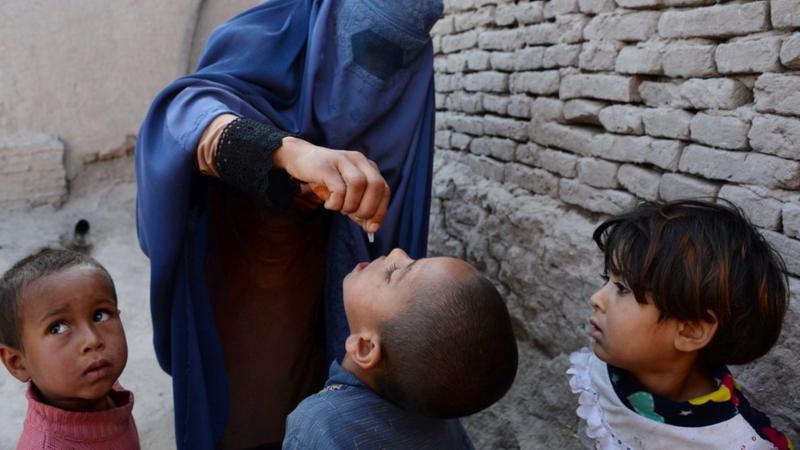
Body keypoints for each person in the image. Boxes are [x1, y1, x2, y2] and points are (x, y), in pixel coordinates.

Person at [135, 0, 443, 448]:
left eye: (391, 58)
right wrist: (291, 153)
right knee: (242, 409)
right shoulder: (274, 35)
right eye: (363, 46)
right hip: (249, 285)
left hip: (337, 288)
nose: (371, 74)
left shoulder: (405, 105)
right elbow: (185, 118)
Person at [568, 200, 793, 450]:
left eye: (622, 288)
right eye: (606, 278)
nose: (596, 299)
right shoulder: (599, 378)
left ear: (690, 331)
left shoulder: (733, 441)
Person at [283, 248, 518, 449]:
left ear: (365, 348)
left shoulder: (318, 423)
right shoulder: (437, 416)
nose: (397, 252)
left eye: (393, 274)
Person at [0, 249, 139, 450]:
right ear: (17, 362)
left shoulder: (109, 388)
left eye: (99, 315)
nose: (92, 340)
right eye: (57, 328)